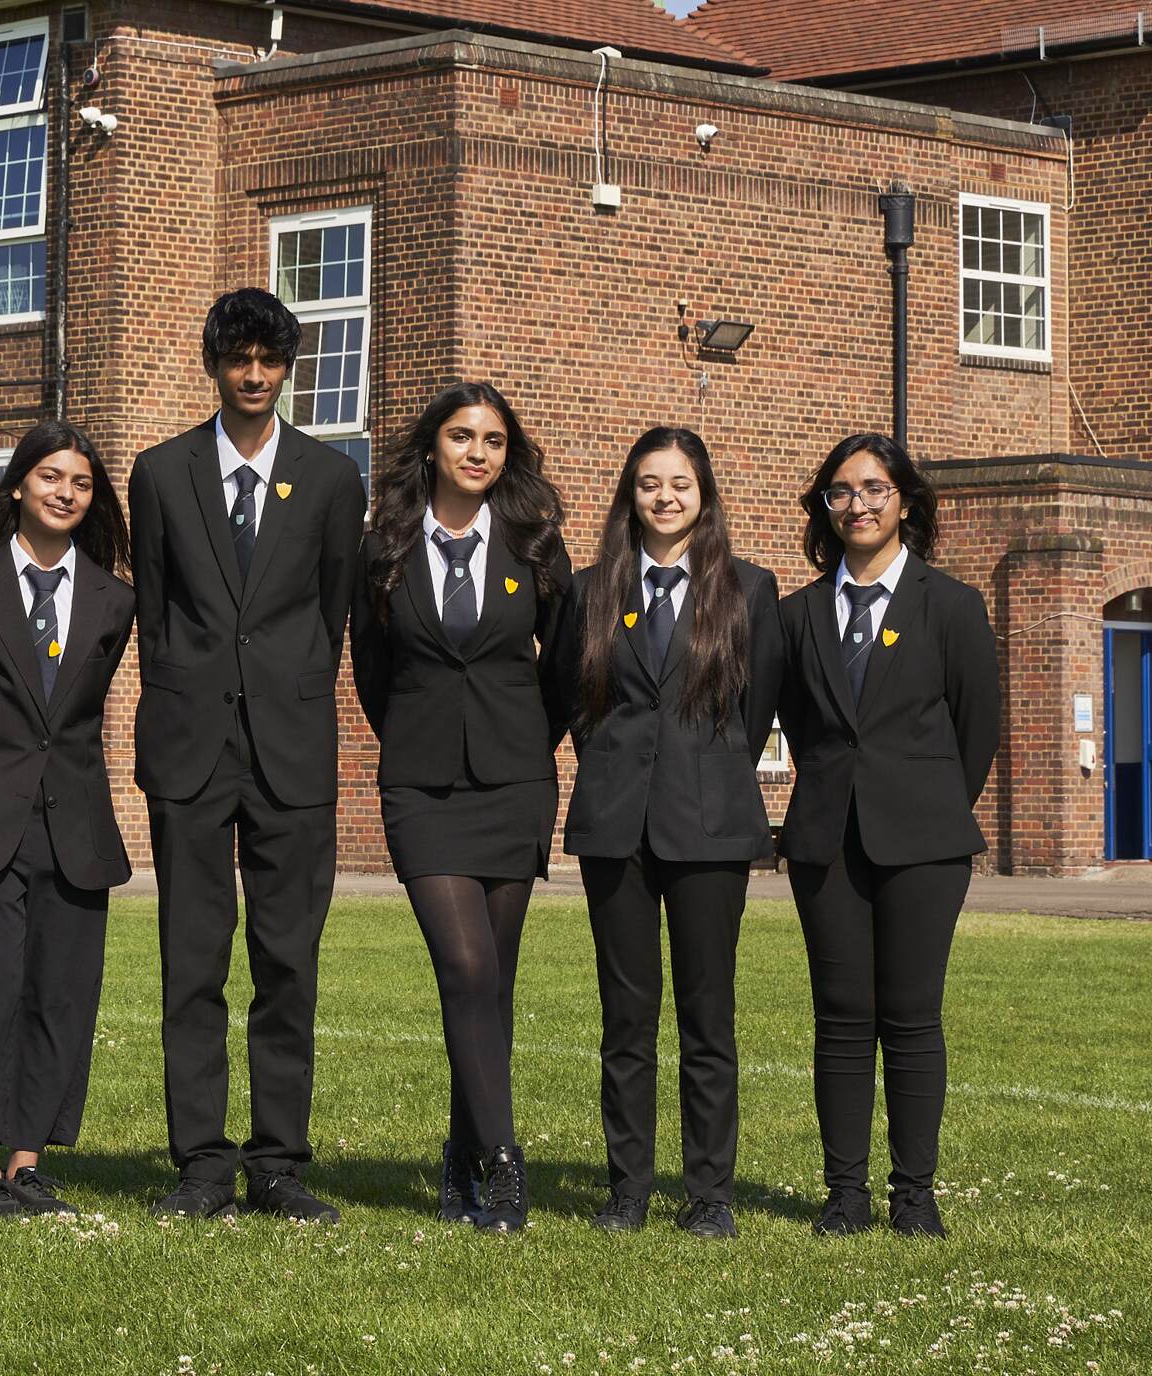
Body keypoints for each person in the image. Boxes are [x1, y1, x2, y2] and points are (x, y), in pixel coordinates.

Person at [128, 288, 365, 1223]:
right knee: (191, 963)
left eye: (269, 360)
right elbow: (156, 610)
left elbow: (330, 612)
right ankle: (200, 1164)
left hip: (290, 750)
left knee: (286, 964)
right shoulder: (161, 472)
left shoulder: (331, 478)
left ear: (287, 368)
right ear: (214, 366)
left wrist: (283, 689)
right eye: (239, 359)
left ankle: (277, 1165)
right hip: (189, 748)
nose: (254, 375)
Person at [346, 381, 571, 1233]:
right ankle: (502, 1162)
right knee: (467, 969)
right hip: (422, 789)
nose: (477, 452)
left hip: (514, 785)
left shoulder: (533, 544)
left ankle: (459, 1157)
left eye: (493, 440)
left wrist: (525, 741)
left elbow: (564, 668)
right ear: (431, 447)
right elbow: (372, 671)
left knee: (491, 985)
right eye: (461, 436)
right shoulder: (382, 549)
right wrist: (420, 735)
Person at [776, 431, 1001, 1240]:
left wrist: (926, 805)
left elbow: (976, 730)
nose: (857, 504)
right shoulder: (796, 614)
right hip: (825, 842)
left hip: (924, 844)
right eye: (840, 491)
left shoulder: (952, 607)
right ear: (824, 507)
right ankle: (844, 1195)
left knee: (910, 1015)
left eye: (874, 488)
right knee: (839, 1017)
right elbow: (802, 724)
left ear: (904, 500)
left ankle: (914, 1196)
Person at [562, 427, 782, 1241]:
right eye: (649, 483)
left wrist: (700, 777)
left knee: (706, 1017)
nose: (664, 497)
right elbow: (577, 704)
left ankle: (708, 1194)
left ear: (704, 494)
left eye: (680, 483)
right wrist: (619, 768)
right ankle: (627, 1189)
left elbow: (754, 710)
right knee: (625, 1018)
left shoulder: (748, 590)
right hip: (614, 827)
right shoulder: (589, 591)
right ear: (630, 494)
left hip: (709, 826)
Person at [0, 421, 137, 1216]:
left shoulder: (114, 600)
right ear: (16, 485)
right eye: (49, 476)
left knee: (59, 993)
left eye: (80, 483)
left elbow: (78, 713)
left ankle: (27, 1163)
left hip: (74, 824)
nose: (64, 492)